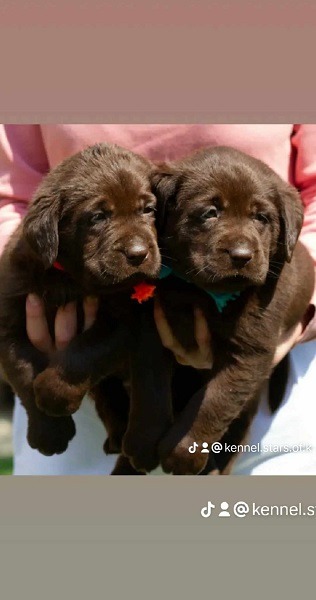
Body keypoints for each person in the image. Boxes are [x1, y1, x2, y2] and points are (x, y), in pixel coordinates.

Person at [0, 124, 316, 475]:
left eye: (148, 210)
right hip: (79, 375)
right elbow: (8, 196)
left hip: (277, 355)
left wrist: (296, 312)